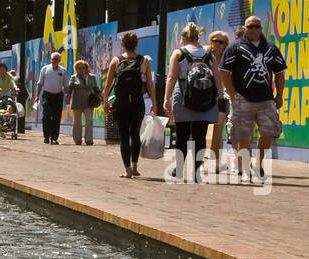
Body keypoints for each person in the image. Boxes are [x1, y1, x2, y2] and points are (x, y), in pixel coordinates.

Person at [219, 15, 287, 183]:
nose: (253, 29)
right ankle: (245, 168)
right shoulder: (235, 47)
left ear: (261, 28)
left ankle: (259, 162)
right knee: (243, 135)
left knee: (269, 132)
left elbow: (279, 73)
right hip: (243, 98)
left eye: (257, 26)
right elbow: (224, 71)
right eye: (250, 26)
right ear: (245, 28)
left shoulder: (271, 48)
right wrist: (233, 93)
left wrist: (279, 94)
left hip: (266, 99)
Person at [164, 23, 218, 182]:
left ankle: (179, 170)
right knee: (200, 137)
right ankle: (196, 173)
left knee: (182, 136)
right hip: (205, 98)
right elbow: (217, 78)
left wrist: (166, 98)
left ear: (184, 37)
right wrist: (219, 98)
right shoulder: (209, 54)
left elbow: (172, 77)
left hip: (183, 96)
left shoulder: (179, 53)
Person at [102, 31, 156, 178]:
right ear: (136, 44)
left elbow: (108, 84)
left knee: (124, 136)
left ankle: (127, 170)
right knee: (135, 134)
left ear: (123, 45)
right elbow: (150, 85)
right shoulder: (144, 61)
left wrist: (106, 100)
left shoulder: (116, 61)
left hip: (121, 104)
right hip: (137, 103)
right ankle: (135, 166)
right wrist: (155, 105)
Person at [207, 30, 231, 175]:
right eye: (214, 40)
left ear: (225, 45)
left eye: (220, 42)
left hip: (221, 97)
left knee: (218, 129)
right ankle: (203, 160)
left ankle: (216, 163)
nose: (216, 43)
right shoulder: (205, 55)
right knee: (205, 129)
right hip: (205, 97)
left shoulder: (227, 58)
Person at [66, 59, 100, 146]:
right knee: (77, 122)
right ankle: (77, 140)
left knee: (89, 121)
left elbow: (96, 89)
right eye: (79, 68)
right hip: (77, 103)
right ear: (76, 69)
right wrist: (68, 96)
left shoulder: (92, 77)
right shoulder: (74, 77)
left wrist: (102, 97)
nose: (81, 70)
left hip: (89, 103)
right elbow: (70, 89)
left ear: (86, 68)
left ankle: (89, 140)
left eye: (83, 68)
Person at [38, 51, 67, 143]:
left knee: (56, 117)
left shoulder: (63, 70)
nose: (54, 61)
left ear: (59, 60)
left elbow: (66, 85)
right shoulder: (45, 69)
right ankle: (46, 136)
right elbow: (40, 83)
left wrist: (68, 96)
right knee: (46, 116)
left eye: (56, 59)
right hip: (47, 95)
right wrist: (36, 96)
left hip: (58, 96)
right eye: (52, 59)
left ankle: (54, 138)